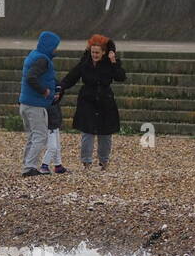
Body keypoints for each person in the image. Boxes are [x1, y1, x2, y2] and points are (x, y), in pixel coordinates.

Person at [60, 34, 126, 170]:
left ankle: (104, 161)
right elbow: (73, 75)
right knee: (87, 132)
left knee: (105, 133)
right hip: (87, 99)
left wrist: (113, 61)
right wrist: (61, 87)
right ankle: (86, 162)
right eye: (92, 52)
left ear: (103, 52)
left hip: (105, 100)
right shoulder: (85, 61)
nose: (94, 55)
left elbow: (121, 77)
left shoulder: (110, 62)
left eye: (97, 52)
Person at [19, 31, 60, 177]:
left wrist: (57, 87)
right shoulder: (42, 60)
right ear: (49, 46)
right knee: (40, 136)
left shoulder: (34, 55)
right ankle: (29, 167)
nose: (56, 50)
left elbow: (41, 77)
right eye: (55, 46)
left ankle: (27, 164)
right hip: (35, 104)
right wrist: (45, 92)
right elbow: (32, 78)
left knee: (32, 136)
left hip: (25, 103)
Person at [40, 86, 68, 173]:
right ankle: (44, 165)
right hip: (49, 127)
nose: (57, 96)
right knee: (52, 147)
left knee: (57, 147)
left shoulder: (55, 102)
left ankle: (58, 165)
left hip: (55, 126)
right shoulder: (46, 103)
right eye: (55, 94)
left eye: (58, 94)